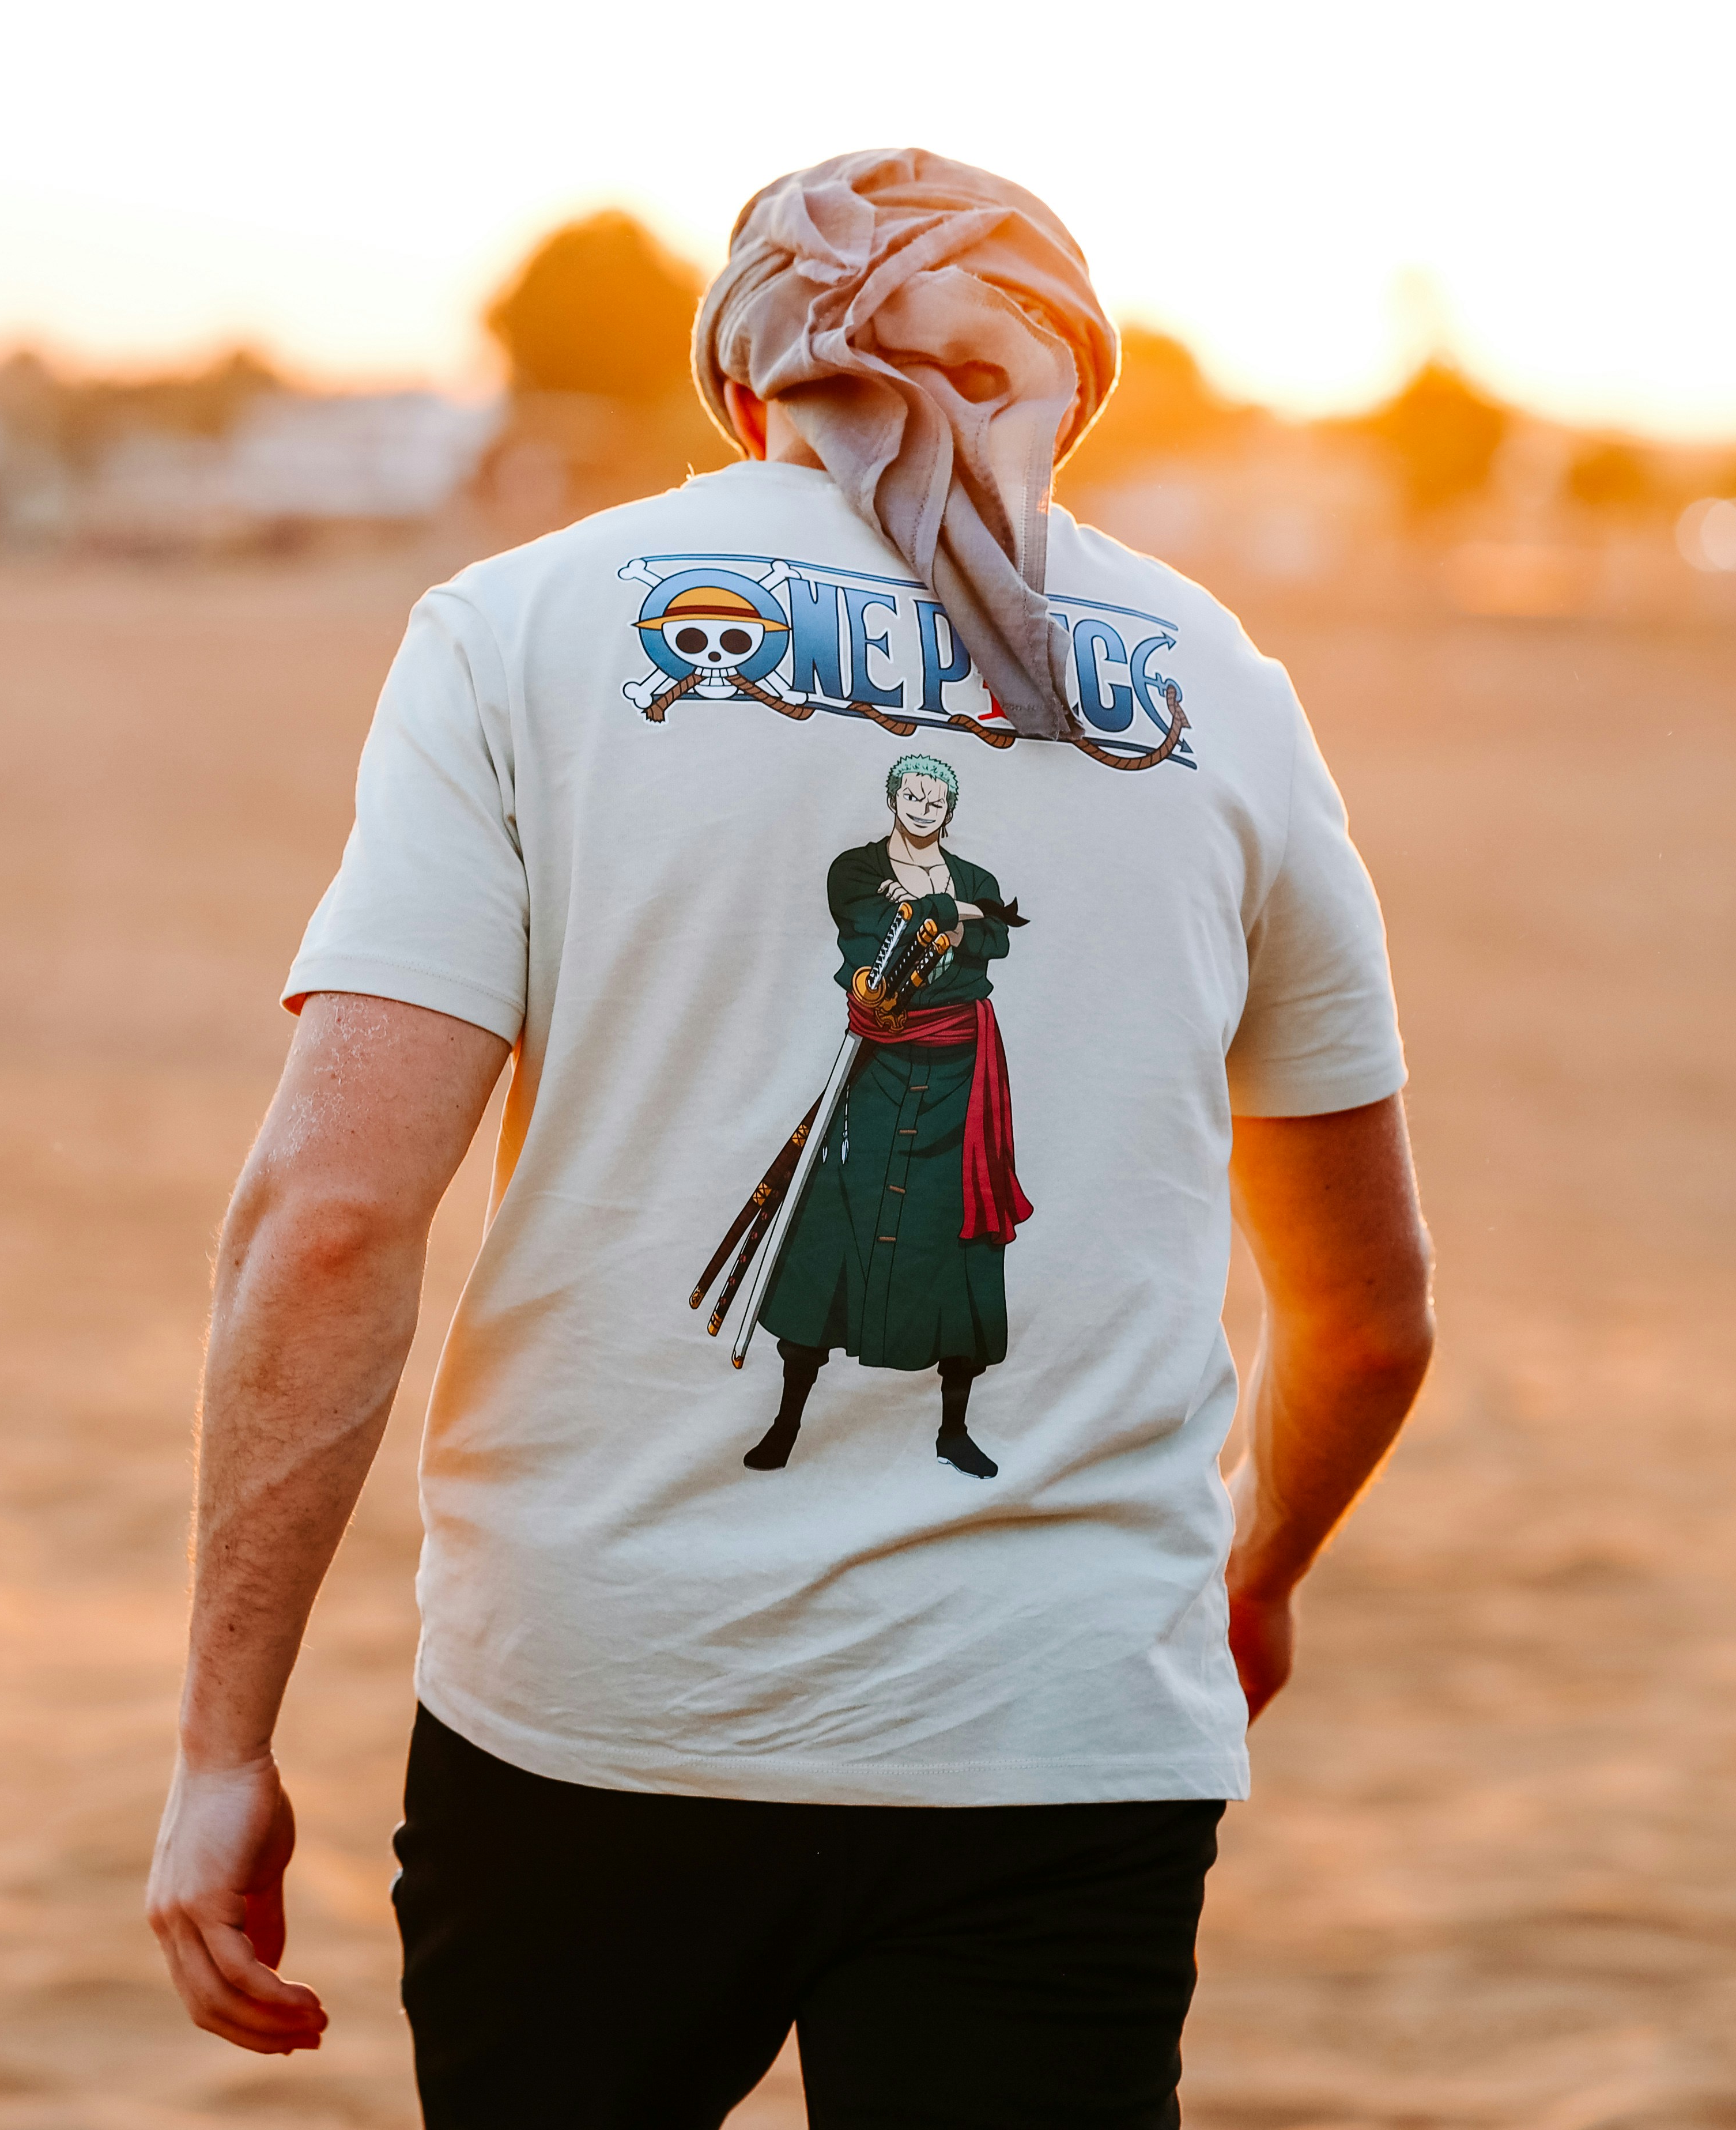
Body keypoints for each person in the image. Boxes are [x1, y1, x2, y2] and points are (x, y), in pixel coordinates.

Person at [145, 148, 1432, 2128]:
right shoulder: (1229, 693)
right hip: (1060, 1731)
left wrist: (222, 1740)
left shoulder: (520, 628)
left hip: (598, 1712)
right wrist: (1248, 1581)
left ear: (743, 384)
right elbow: (1366, 1315)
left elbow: (329, 1215)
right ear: (1070, 388)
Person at [752, 751, 1029, 1479]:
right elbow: (873, 932)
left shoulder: (974, 877)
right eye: (913, 795)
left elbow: (996, 937)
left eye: (937, 800)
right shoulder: (855, 869)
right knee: (834, 1215)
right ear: (893, 796)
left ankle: (954, 1430)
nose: (924, 808)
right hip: (877, 1062)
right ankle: (787, 1420)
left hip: (961, 1073)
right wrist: (952, 918)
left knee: (958, 1231)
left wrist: (948, 915)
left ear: (950, 810)